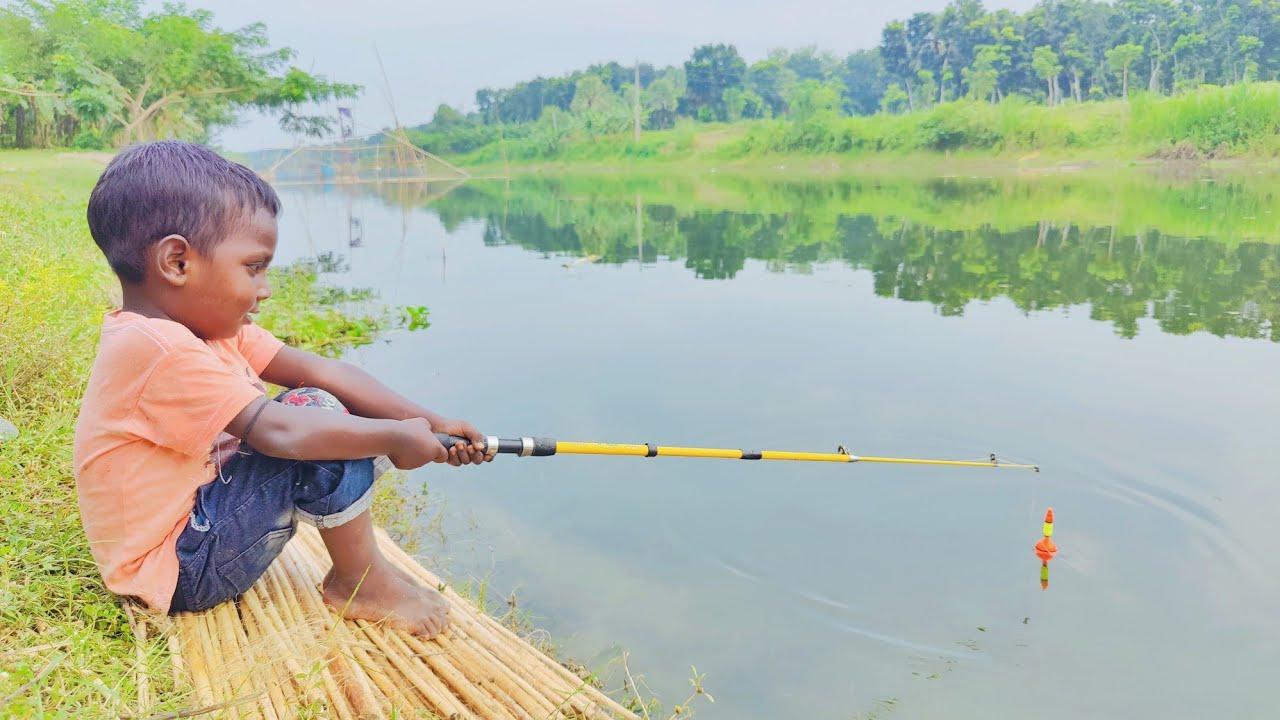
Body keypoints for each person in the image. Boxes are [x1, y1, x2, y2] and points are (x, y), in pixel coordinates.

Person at [73, 140, 488, 637]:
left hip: (200, 525)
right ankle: (360, 583)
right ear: (177, 263)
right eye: (254, 267)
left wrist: (424, 420)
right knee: (312, 415)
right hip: (179, 569)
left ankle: (363, 571)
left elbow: (322, 370)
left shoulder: (199, 328)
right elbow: (281, 433)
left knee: (318, 400)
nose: (265, 288)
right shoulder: (157, 346)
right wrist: (396, 439)